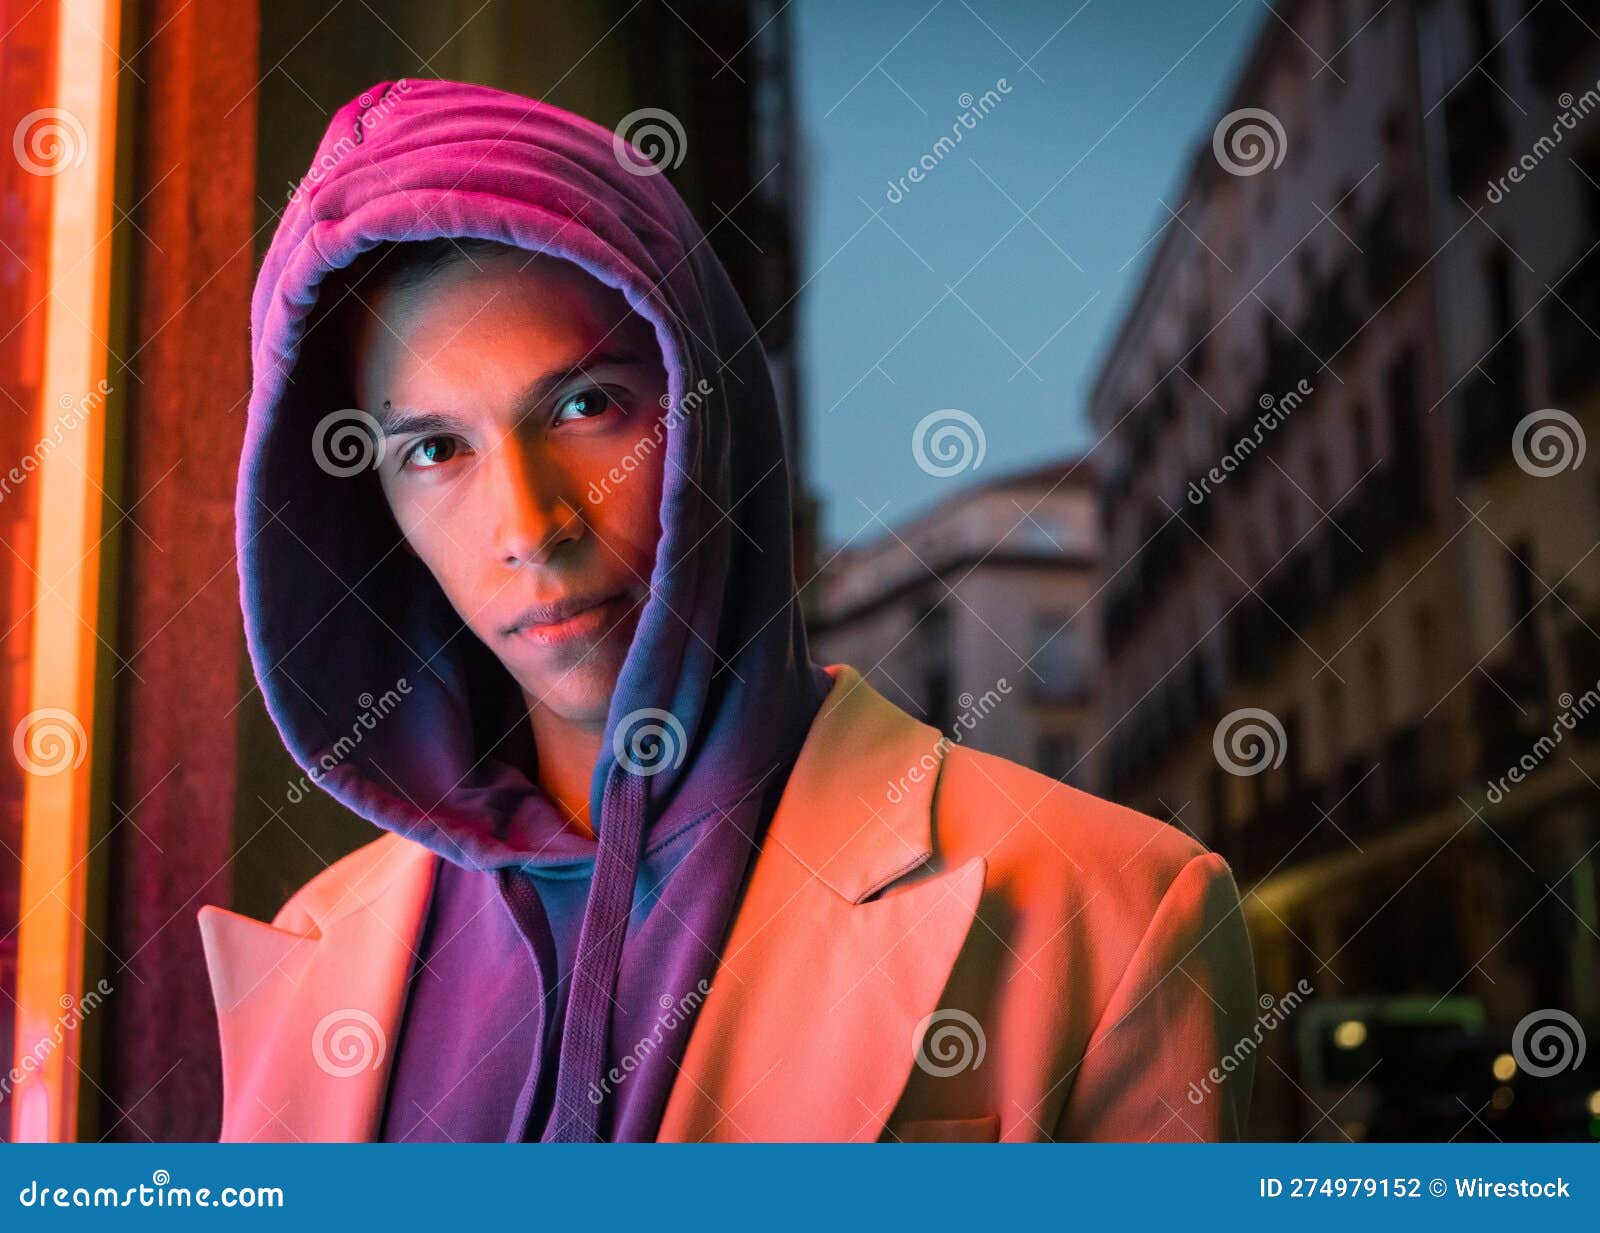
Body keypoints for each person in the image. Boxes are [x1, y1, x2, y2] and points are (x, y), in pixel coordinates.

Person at [198, 78, 1258, 1144]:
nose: (532, 523)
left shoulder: (1109, 913)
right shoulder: (318, 949)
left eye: (586, 406)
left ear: (712, 413)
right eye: (434, 449)